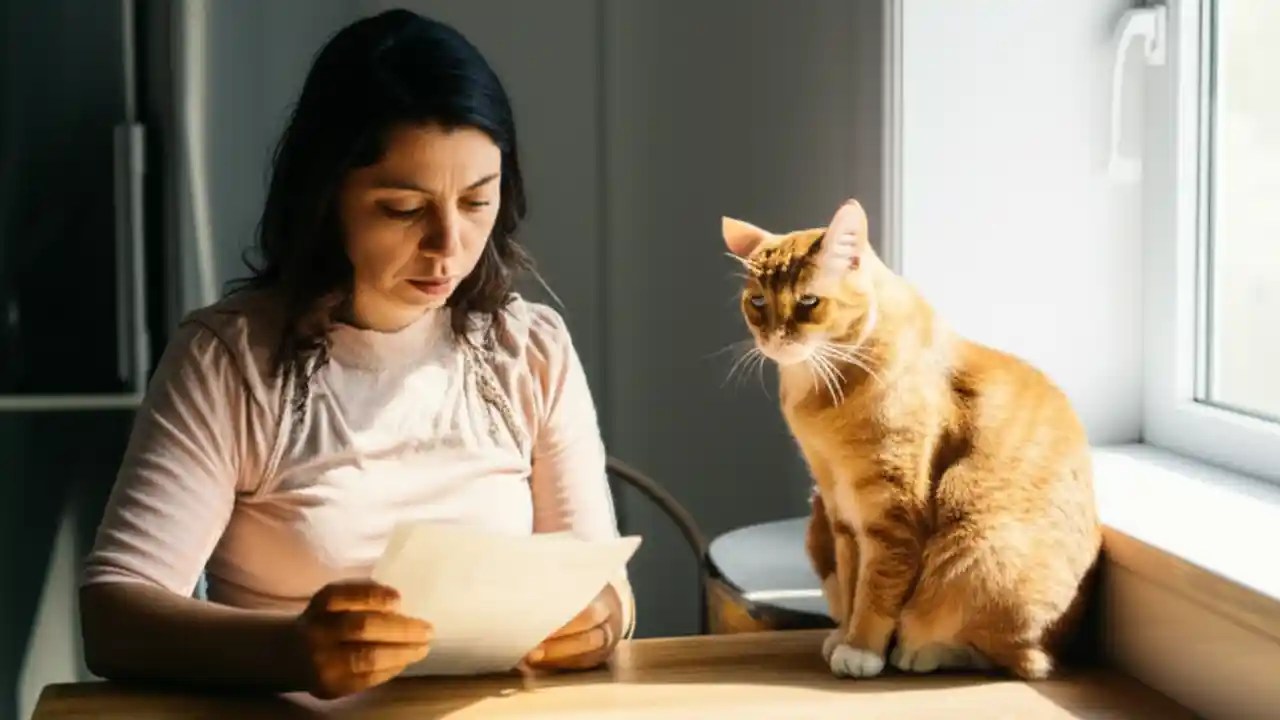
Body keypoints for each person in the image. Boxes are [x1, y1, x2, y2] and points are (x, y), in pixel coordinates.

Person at [78, 9, 634, 700]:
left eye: (476, 202)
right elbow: (113, 614)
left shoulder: (531, 348)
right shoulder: (230, 361)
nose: (448, 244)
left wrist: (604, 619)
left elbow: (598, 577)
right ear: (325, 198)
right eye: (403, 208)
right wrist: (287, 651)